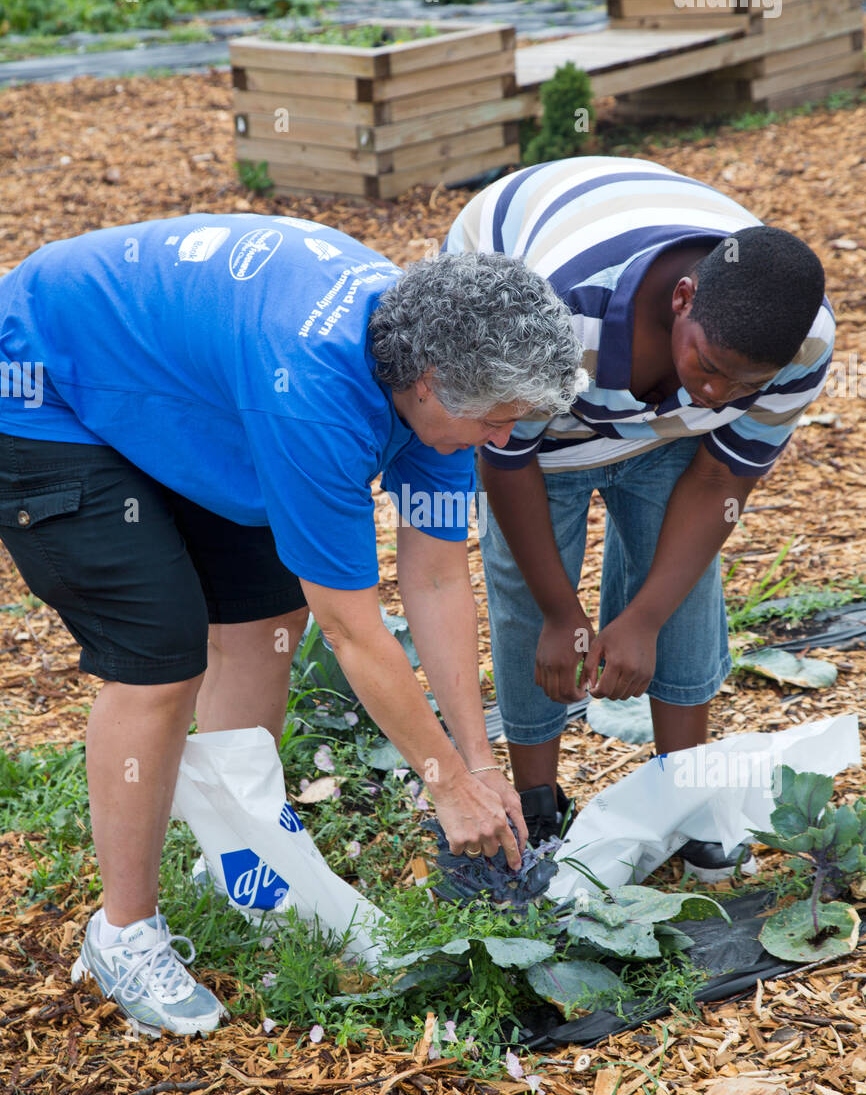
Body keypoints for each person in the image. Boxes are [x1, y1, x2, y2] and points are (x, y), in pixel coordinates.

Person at [0, 214, 581, 1035]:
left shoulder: (443, 379)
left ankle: (233, 851)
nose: (504, 439)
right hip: (44, 384)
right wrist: (442, 783)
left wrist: (478, 761)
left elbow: (438, 575)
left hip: (190, 386)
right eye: (496, 420)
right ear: (430, 381)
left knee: (266, 613)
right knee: (159, 657)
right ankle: (121, 933)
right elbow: (350, 628)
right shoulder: (318, 393)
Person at [444, 156, 833, 876]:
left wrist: (644, 619)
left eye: (746, 385)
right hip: (534, 409)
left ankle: (681, 796)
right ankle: (536, 807)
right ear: (683, 298)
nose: (719, 395)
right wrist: (565, 615)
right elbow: (509, 459)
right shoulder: (557, 311)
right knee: (530, 598)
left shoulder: (802, 346)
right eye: (708, 364)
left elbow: (721, 476)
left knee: (681, 588)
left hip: (659, 430)